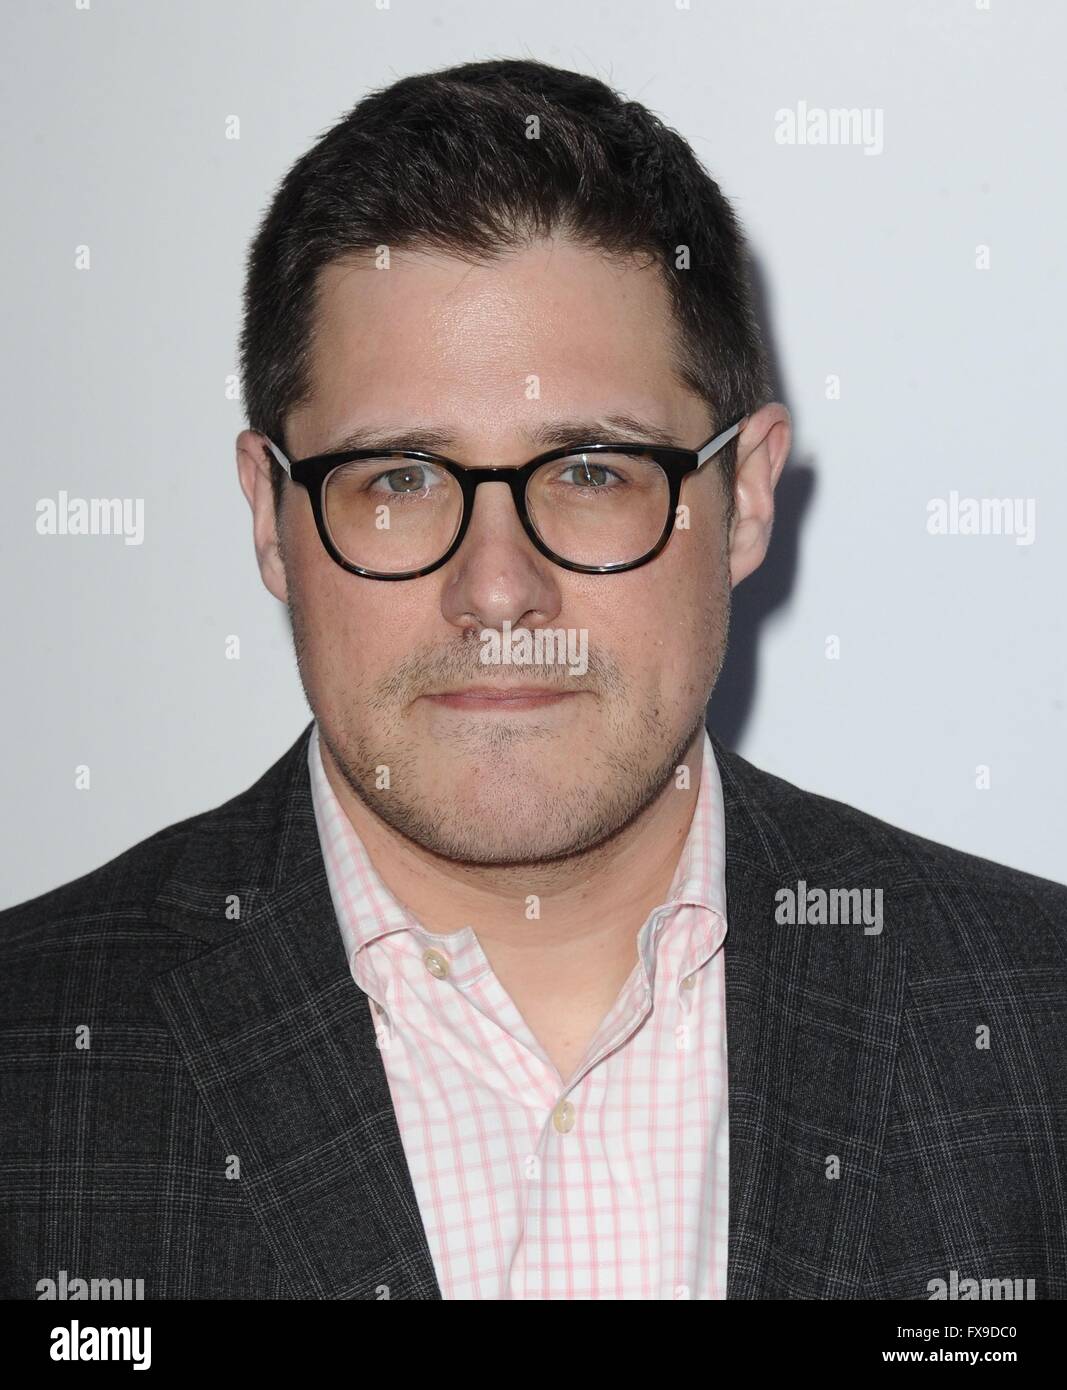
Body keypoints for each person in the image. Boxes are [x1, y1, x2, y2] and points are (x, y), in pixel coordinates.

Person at [2, 59, 1064, 1302]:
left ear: (745, 498)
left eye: (591, 472)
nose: (496, 591)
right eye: (396, 478)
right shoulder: (31, 1063)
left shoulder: (1034, 1023)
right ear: (269, 515)